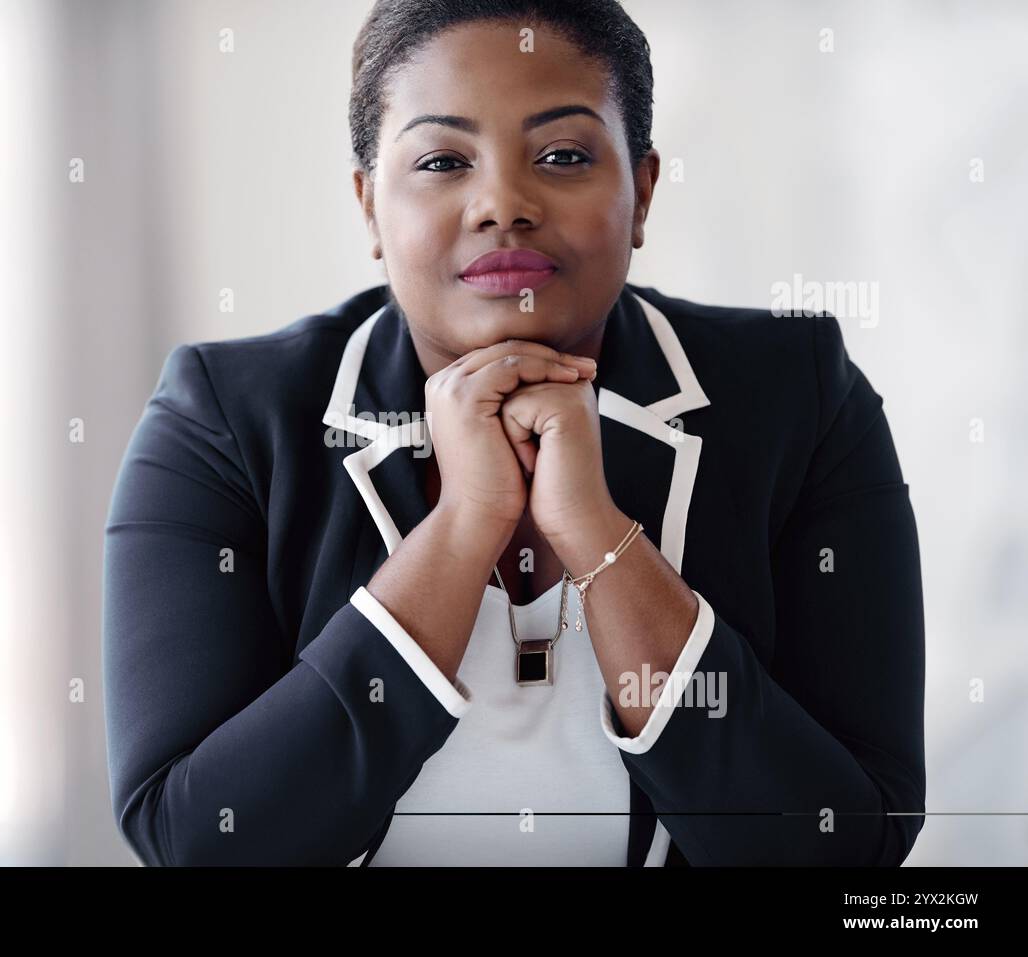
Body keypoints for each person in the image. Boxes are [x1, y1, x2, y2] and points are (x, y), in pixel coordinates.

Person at [102, 0, 925, 866]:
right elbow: (195, 838)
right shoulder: (221, 422)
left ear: (641, 192)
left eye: (563, 155)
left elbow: (851, 844)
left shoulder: (801, 394)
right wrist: (462, 530)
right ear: (369, 207)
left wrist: (599, 538)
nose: (502, 203)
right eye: (443, 160)